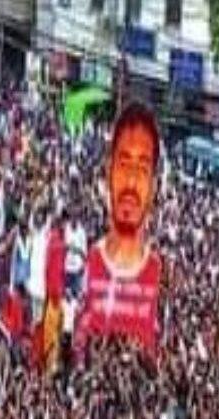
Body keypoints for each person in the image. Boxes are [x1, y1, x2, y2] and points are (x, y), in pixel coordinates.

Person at [77, 102, 164, 355]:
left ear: (154, 186)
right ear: (108, 171)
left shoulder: (161, 274)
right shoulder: (86, 261)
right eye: (124, 164)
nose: (132, 181)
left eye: (143, 169)